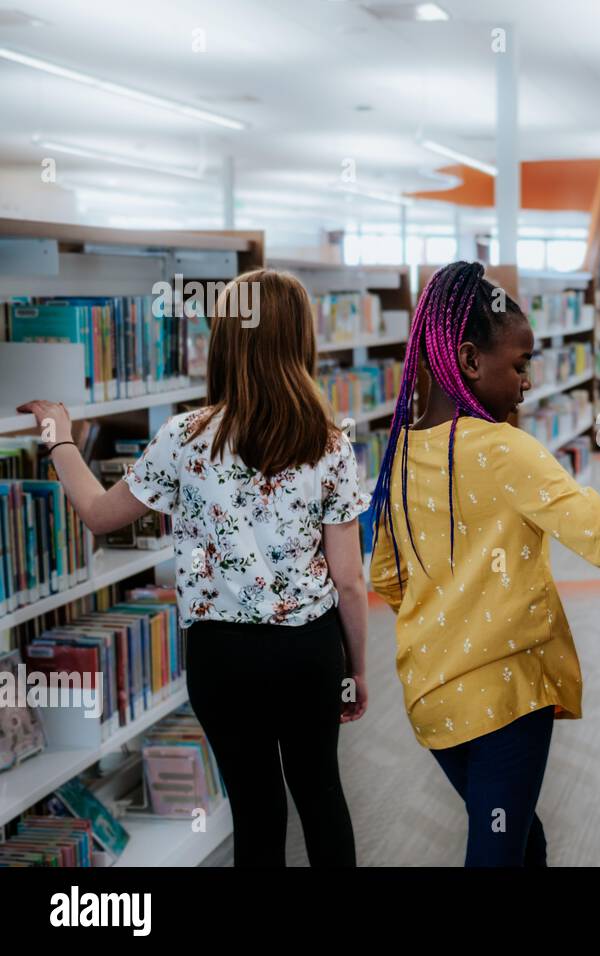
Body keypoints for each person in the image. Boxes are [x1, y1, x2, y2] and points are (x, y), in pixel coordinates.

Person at [368, 261, 600, 867]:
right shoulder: (506, 450)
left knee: (519, 839)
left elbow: (386, 576)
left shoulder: (399, 451)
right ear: (470, 360)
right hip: (507, 697)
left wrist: (449, 618)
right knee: (500, 849)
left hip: (430, 697)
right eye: (520, 364)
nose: (530, 382)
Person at [18, 269, 370, 867]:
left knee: (256, 811)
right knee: (321, 794)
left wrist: (60, 440)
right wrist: (356, 668)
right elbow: (349, 581)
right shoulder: (328, 443)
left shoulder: (184, 437)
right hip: (309, 653)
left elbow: (101, 515)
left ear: (227, 339)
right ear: (300, 341)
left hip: (221, 657)